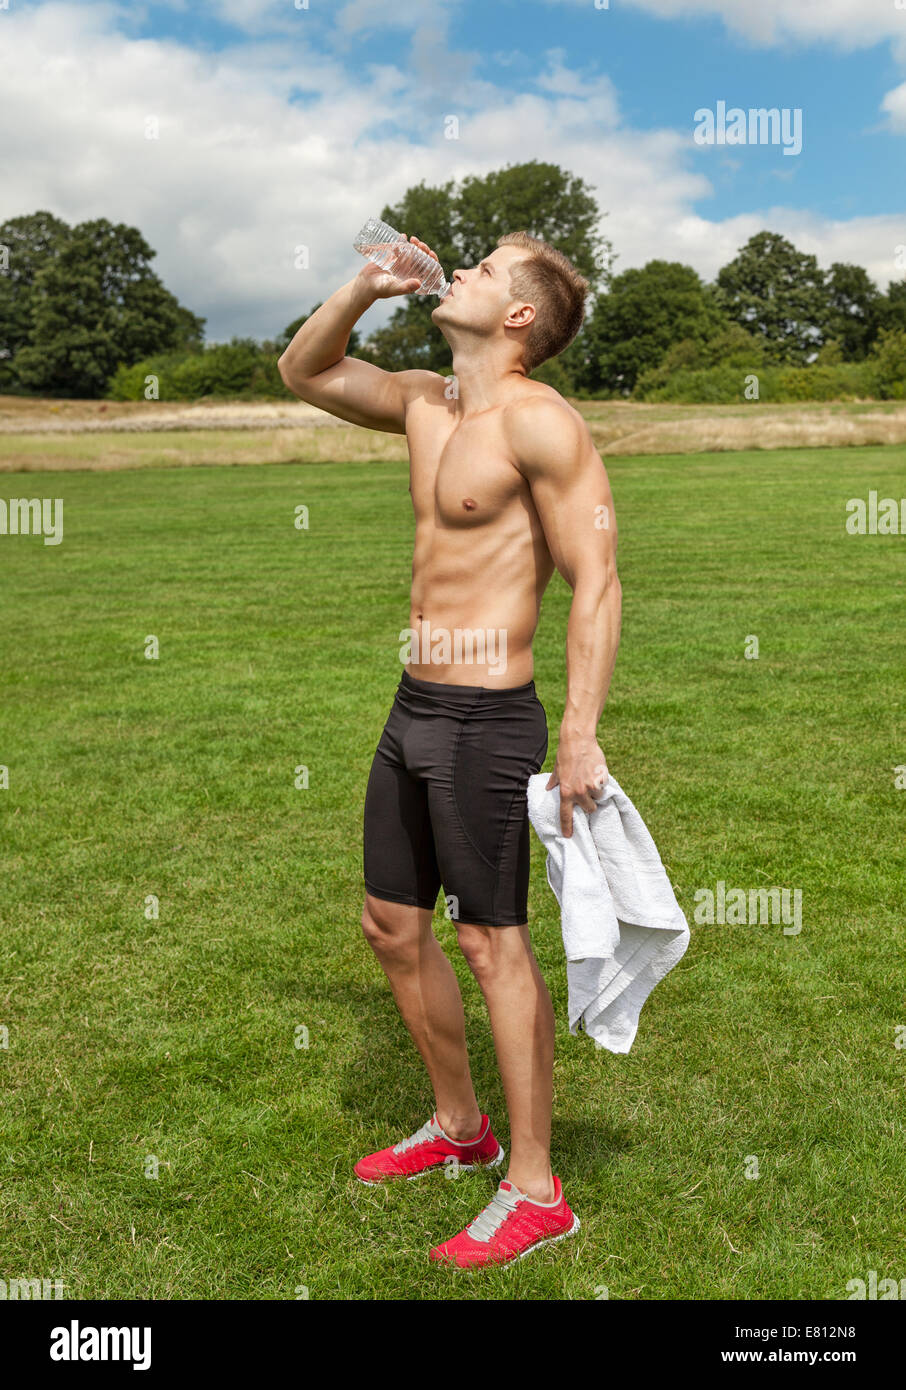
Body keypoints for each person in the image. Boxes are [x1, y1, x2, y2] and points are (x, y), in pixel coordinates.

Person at [278, 230, 621, 1268]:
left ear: (519, 317)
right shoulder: (428, 400)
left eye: (481, 270)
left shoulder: (542, 424)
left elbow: (596, 581)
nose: (457, 271)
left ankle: (534, 1188)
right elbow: (306, 371)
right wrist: (367, 286)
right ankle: (459, 1126)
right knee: (392, 923)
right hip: (412, 702)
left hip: (486, 719)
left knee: (488, 942)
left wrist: (579, 730)